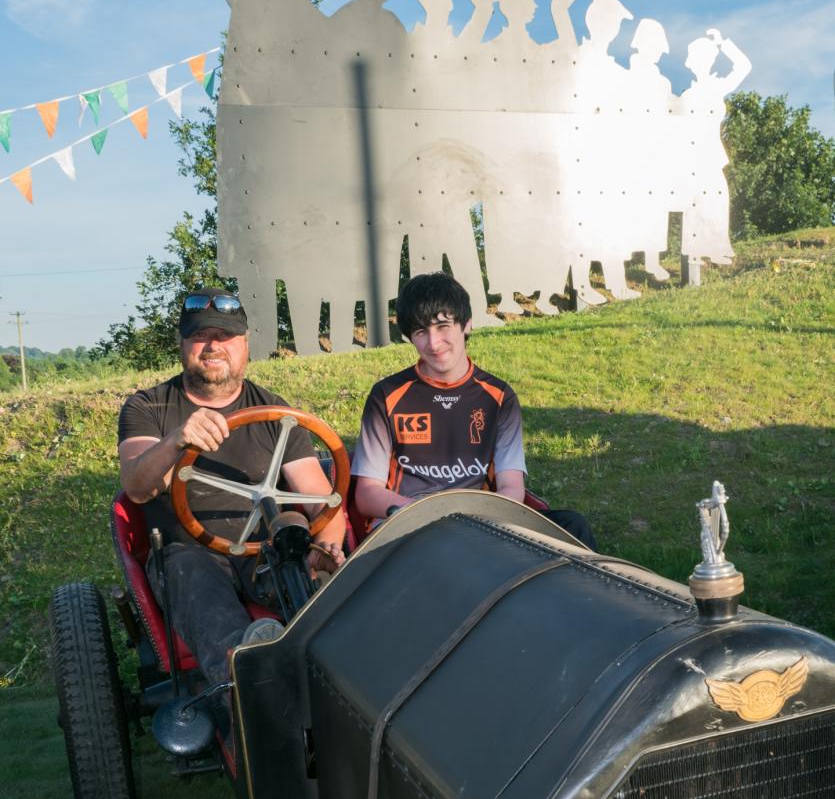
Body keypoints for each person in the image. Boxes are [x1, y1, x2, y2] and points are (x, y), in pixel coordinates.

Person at [118, 288, 346, 688]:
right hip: (187, 554)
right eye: (200, 336)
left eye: (224, 336)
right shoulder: (148, 408)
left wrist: (326, 550)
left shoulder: (275, 412)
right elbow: (137, 488)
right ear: (182, 344)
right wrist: (176, 440)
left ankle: (331, 663)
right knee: (189, 571)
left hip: (263, 551)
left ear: (244, 344)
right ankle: (249, 676)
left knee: (293, 542)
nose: (213, 346)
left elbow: (321, 502)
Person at [351, 272, 596, 547]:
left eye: (443, 326)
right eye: (421, 332)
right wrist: (428, 516)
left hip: (481, 524)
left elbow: (511, 487)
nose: (433, 343)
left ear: (466, 324)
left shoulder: (499, 397)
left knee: (573, 525)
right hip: (411, 525)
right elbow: (367, 494)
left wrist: (477, 524)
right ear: (410, 338)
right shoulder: (386, 395)